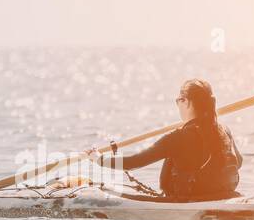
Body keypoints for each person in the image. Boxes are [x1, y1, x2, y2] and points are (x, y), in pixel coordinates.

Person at [86, 79, 243, 199]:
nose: (178, 105)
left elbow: (135, 161)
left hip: (189, 197)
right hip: (223, 192)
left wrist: (99, 159)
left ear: (185, 101)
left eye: (178, 101)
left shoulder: (178, 137)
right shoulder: (223, 130)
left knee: (175, 153)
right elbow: (239, 162)